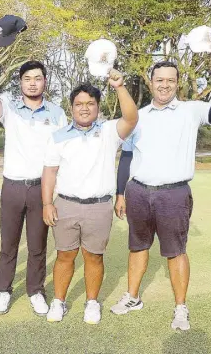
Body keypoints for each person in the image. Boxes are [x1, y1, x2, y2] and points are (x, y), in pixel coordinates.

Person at [111, 47, 211, 331]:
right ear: (151, 82)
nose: (164, 84)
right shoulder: (137, 116)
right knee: (137, 247)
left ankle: (180, 308)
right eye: (159, 79)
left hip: (174, 193)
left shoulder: (191, 111)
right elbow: (126, 155)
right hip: (138, 191)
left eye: (170, 80)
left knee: (176, 251)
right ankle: (133, 297)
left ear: (178, 83)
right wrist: (120, 192)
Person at [42, 70, 138, 324]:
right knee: (64, 255)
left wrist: (119, 86)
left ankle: (92, 302)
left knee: (94, 257)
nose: (84, 108)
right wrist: (47, 203)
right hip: (66, 204)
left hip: (98, 207)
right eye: (79, 104)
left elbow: (131, 117)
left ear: (97, 106)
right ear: (71, 107)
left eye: (90, 104)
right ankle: (59, 301)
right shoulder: (58, 136)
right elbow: (50, 172)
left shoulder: (108, 131)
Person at [0, 43, 68, 315]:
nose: (32, 84)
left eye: (37, 78)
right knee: (8, 245)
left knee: (37, 245)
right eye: (27, 79)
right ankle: (3, 291)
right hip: (12, 187)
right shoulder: (9, 107)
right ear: (20, 83)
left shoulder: (57, 113)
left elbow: (64, 153)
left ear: (45, 82)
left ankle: (36, 291)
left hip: (41, 190)